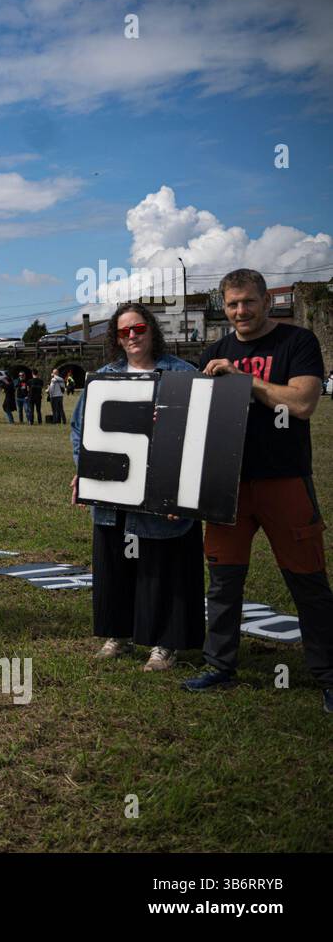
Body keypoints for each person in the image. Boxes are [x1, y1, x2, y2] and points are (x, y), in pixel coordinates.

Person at [181, 268, 332, 711]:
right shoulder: (215, 350)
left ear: (267, 301)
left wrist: (245, 382)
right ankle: (220, 664)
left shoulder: (296, 342)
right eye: (232, 304)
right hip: (228, 486)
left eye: (248, 301)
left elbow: (302, 403)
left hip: (284, 480)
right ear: (223, 307)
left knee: (308, 582)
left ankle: (327, 675)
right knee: (224, 582)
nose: (241, 311)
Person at [70, 304, 203, 672]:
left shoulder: (182, 374)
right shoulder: (105, 377)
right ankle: (119, 634)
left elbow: (197, 434)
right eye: (123, 331)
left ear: (152, 330)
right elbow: (81, 429)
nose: (131, 336)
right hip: (114, 492)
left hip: (165, 493)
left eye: (138, 328)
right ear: (115, 337)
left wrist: (187, 489)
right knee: (116, 564)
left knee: (164, 567)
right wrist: (86, 470)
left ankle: (165, 643)